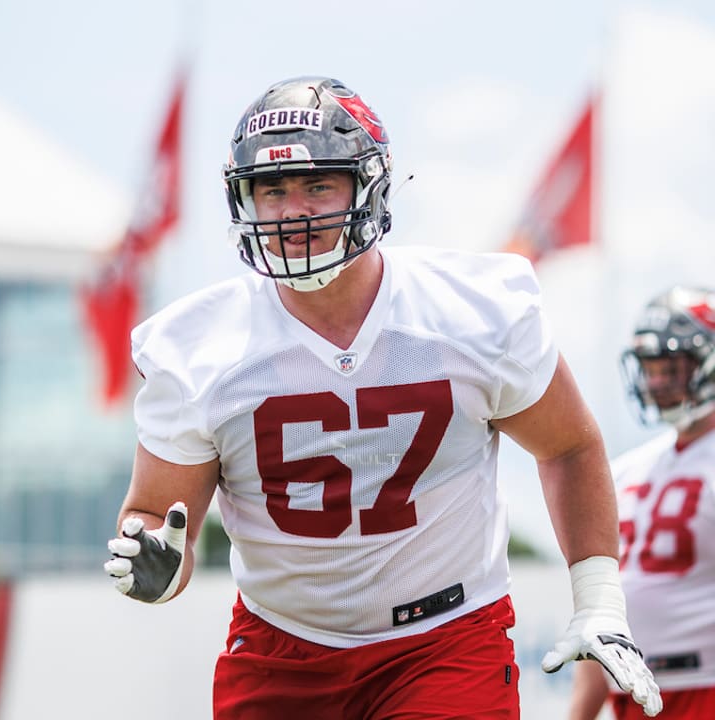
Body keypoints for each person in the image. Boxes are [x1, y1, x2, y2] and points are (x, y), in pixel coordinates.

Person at [102, 75, 662, 719]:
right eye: (272, 189)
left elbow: (567, 445)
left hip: (446, 639)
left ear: (369, 185)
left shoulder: (471, 311)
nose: (292, 210)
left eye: (318, 184)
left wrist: (598, 599)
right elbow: (157, 521)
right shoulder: (196, 347)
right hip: (282, 649)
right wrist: (155, 568)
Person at [568, 287, 715, 719]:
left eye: (671, 368)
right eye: (651, 369)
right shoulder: (624, 471)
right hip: (632, 694)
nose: (657, 383)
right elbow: (602, 612)